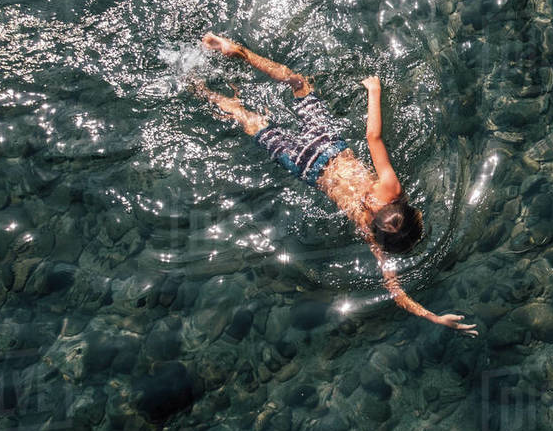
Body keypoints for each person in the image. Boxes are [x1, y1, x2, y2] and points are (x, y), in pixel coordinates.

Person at [194, 32, 477, 337]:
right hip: (304, 166)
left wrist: (374, 90)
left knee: (298, 83)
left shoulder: (390, 190)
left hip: (327, 143)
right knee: (246, 119)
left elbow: (373, 137)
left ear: (409, 211)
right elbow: (396, 292)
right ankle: (198, 89)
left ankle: (239, 53)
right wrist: (433, 317)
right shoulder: (370, 231)